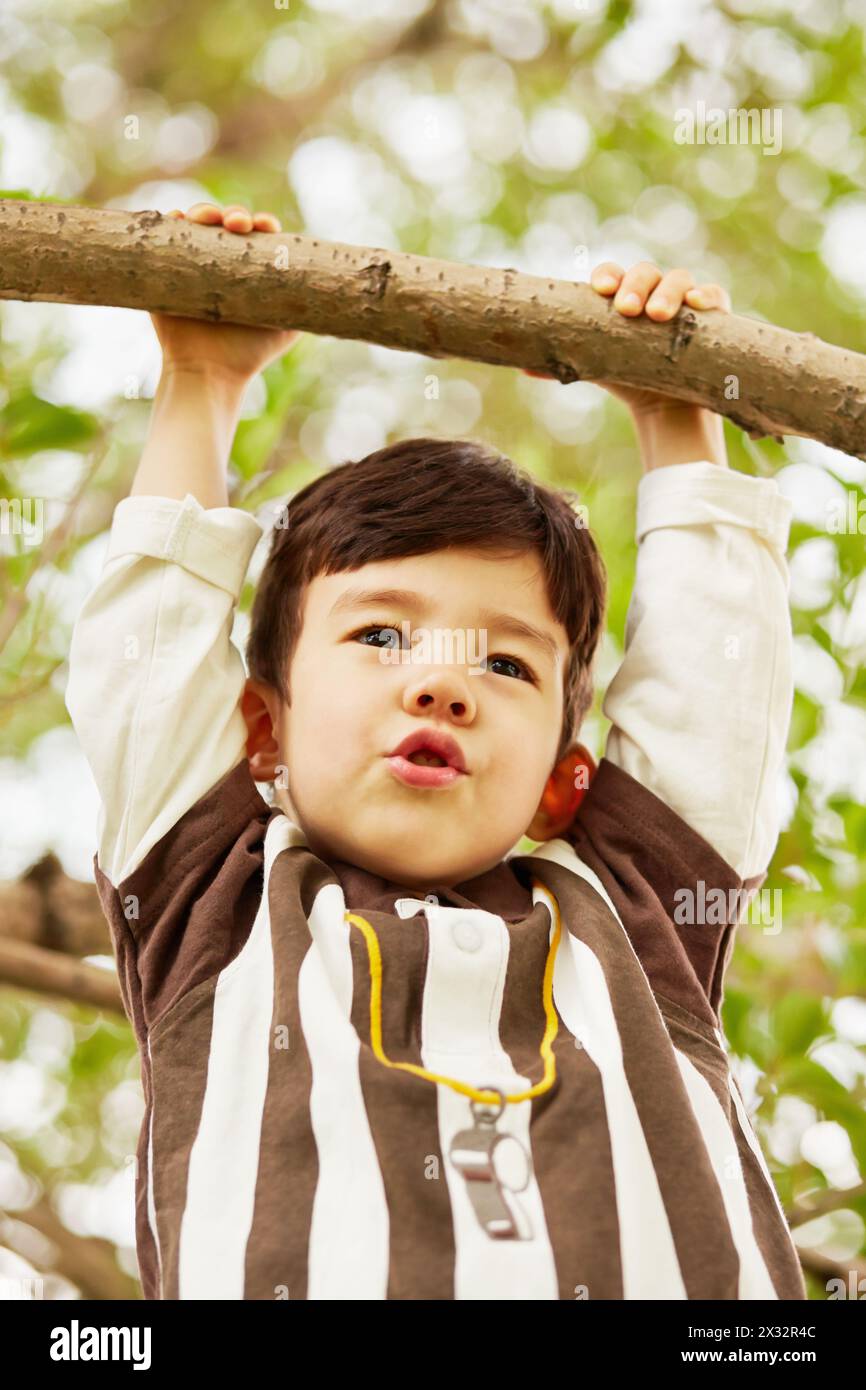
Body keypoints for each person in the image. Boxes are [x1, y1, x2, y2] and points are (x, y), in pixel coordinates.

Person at [65, 202, 805, 1300]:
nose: (441, 680)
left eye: (505, 667)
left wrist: (675, 414)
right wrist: (202, 382)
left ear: (564, 781)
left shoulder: (633, 908)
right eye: (378, 635)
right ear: (259, 728)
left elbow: (715, 684)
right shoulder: (216, 906)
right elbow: (146, 663)